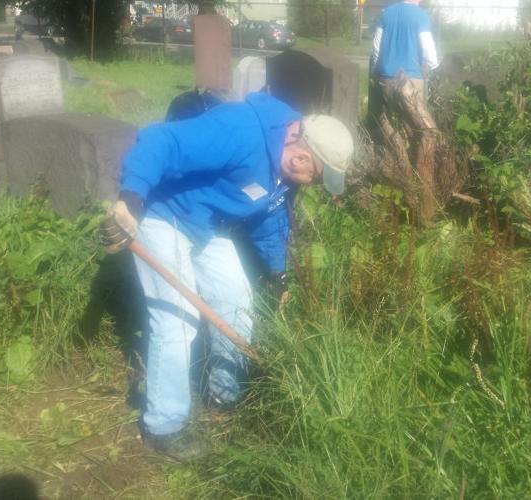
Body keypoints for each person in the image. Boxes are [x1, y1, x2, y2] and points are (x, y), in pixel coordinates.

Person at [101, 92, 354, 460]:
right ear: (301, 155)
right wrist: (131, 200)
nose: (313, 185)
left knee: (237, 303)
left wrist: (278, 273)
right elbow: (161, 140)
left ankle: (225, 395)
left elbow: (271, 216)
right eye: (317, 177)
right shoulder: (240, 130)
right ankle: (164, 426)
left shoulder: (285, 170)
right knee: (177, 320)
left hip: (207, 225)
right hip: (163, 214)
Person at [369, 0, 439, 125]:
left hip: (387, 79)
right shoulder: (420, 15)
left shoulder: (386, 13)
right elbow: (429, 51)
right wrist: (431, 69)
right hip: (412, 81)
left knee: (392, 123)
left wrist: (376, 68)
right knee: (417, 127)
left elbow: (376, 47)